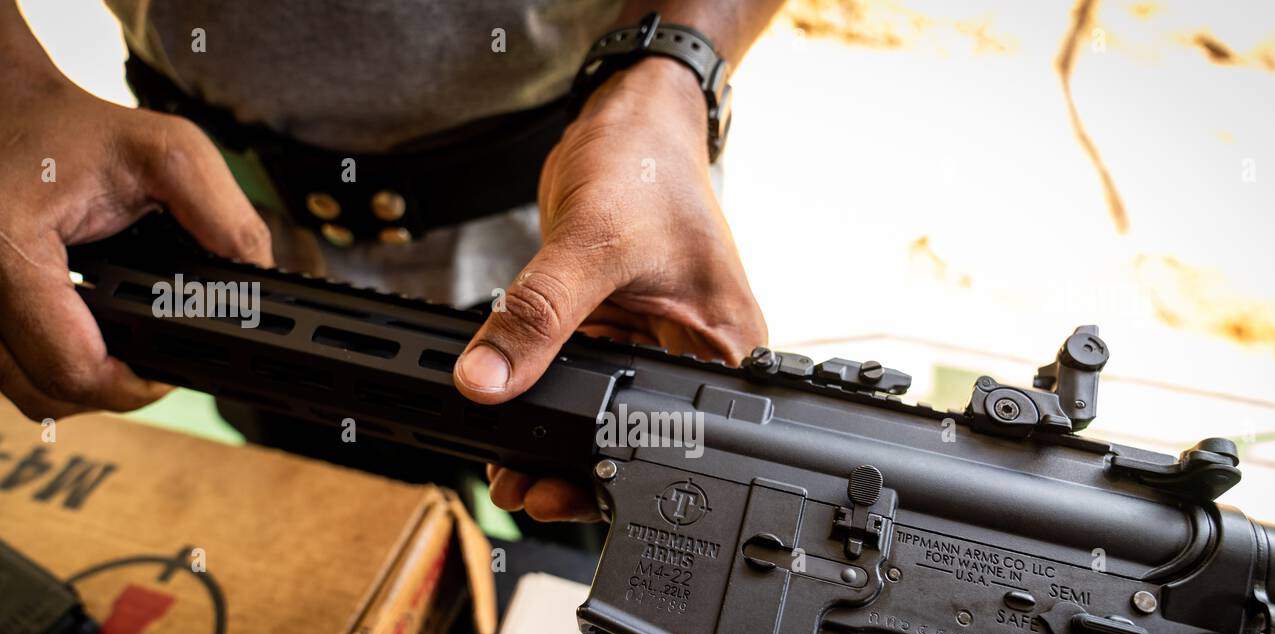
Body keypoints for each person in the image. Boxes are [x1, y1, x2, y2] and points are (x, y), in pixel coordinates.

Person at [0, 0, 776, 520]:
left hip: (598, 259)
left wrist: (675, 74)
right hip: (231, 257)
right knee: (343, 541)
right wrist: (11, 91)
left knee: (618, 549)